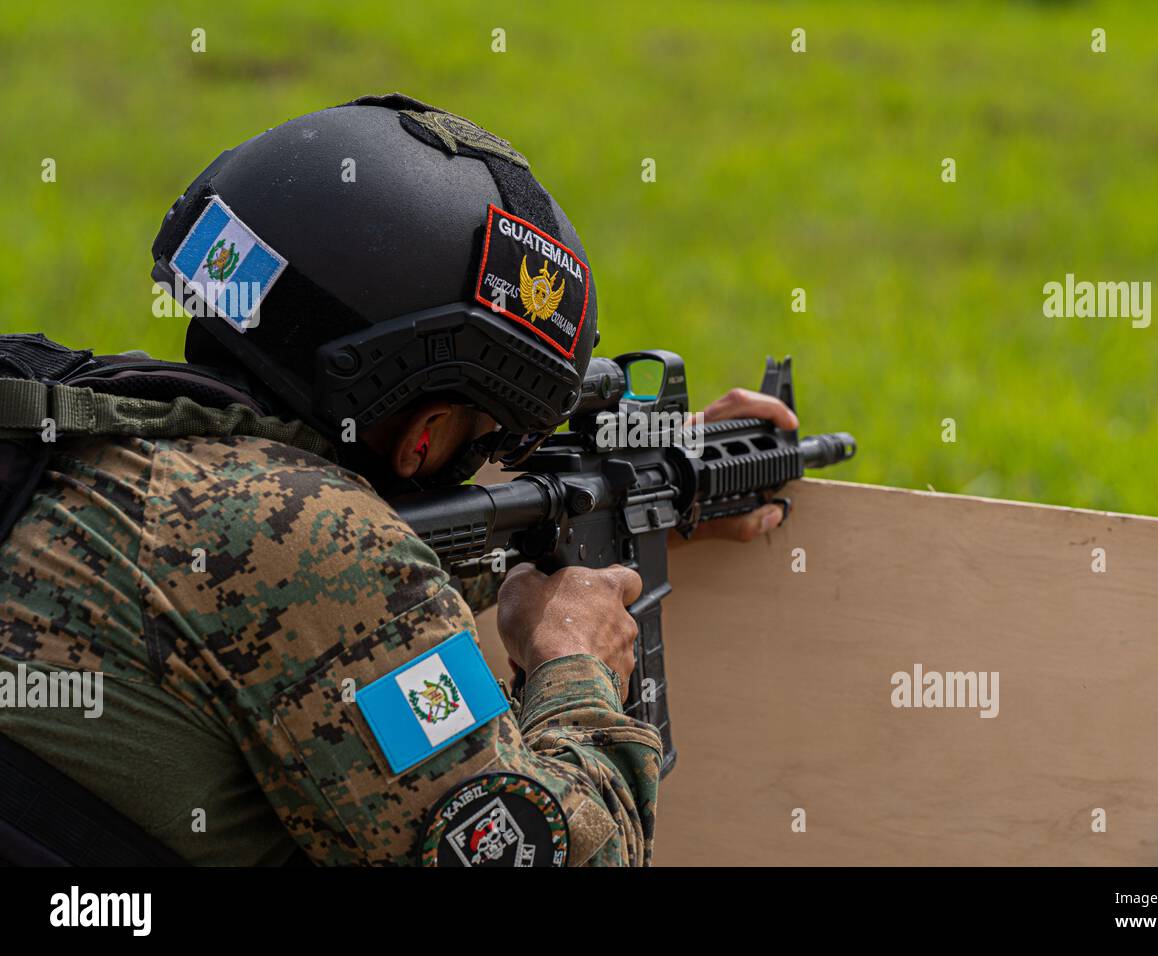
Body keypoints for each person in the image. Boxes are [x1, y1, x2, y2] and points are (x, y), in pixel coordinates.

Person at [0, 94, 796, 866]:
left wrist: (636, 497)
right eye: (493, 442)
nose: (494, 464)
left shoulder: (77, 429)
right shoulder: (325, 545)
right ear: (422, 440)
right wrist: (573, 661)